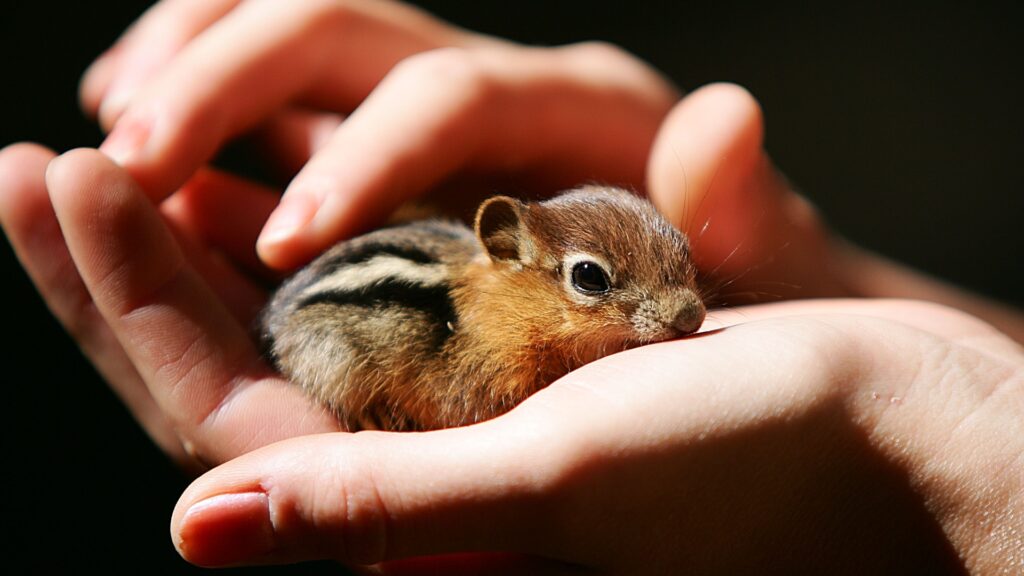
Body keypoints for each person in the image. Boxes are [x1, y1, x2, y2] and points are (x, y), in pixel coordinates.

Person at [1, 1, 1020, 573]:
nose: (675, 319)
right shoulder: (487, 323)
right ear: (515, 256)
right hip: (358, 335)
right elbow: (460, 370)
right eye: (594, 286)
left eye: (679, 281)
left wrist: (955, 435)